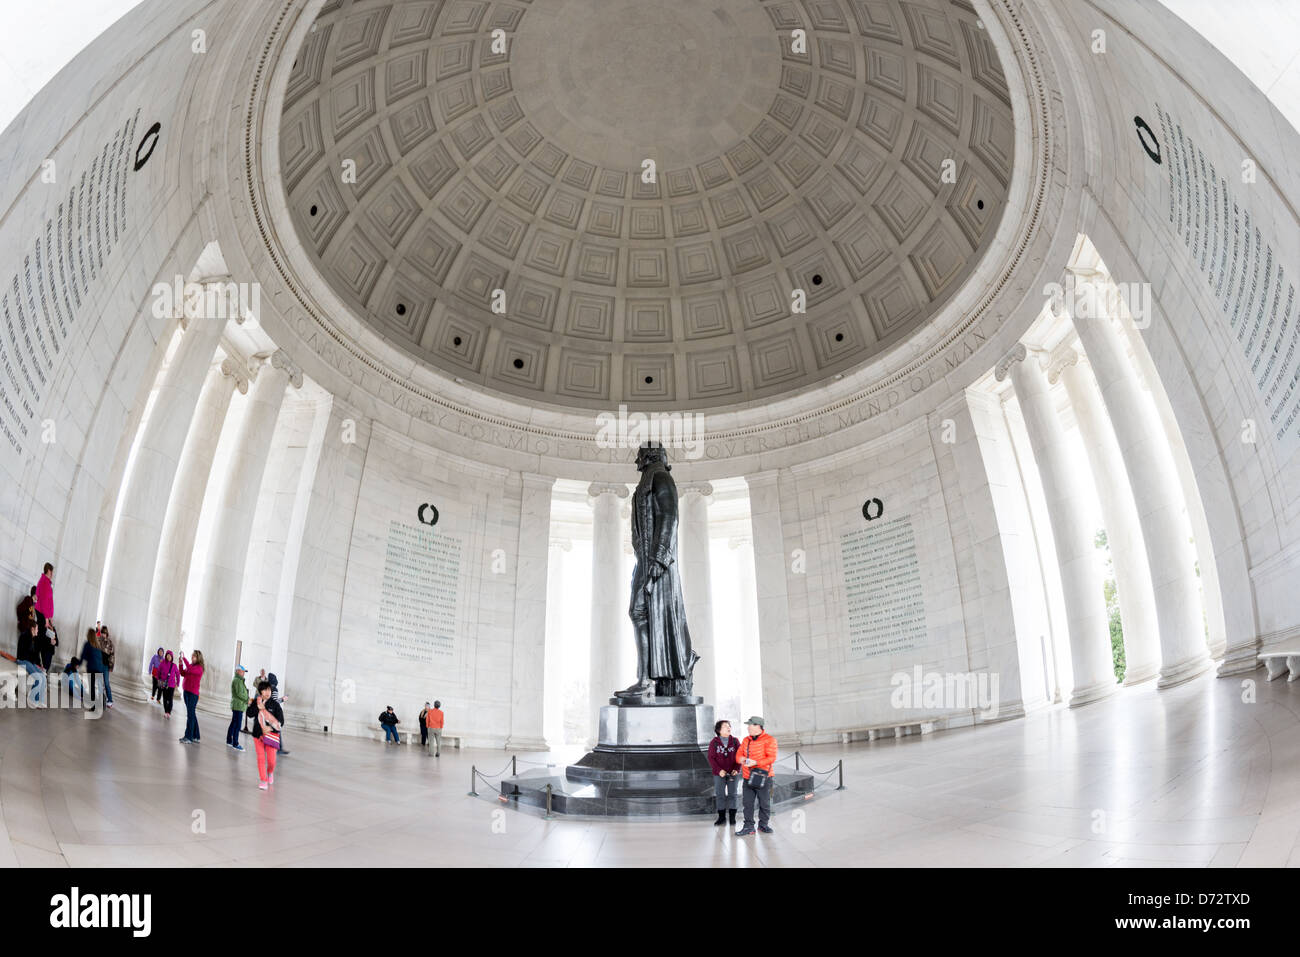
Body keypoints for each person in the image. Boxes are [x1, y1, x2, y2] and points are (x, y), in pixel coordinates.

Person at [735, 716, 777, 836]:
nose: (748, 727)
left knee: (764, 803)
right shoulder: (745, 740)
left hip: (764, 777)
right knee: (747, 804)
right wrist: (741, 759)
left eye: (750, 725)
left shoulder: (770, 740)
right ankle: (749, 827)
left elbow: (771, 758)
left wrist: (756, 763)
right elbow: (738, 755)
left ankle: (763, 825)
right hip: (748, 777)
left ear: (758, 726)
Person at [249, 680, 283, 790]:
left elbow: (281, 721)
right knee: (261, 758)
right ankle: (263, 780)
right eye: (264, 690)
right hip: (258, 734)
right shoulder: (256, 702)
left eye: (268, 690)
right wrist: (256, 708)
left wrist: (270, 728)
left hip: (271, 735)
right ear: (260, 691)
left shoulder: (275, 704)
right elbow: (249, 714)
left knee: (272, 761)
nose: (267, 692)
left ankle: (270, 772)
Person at [707, 719, 741, 827]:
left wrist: (737, 768)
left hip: (733, 774)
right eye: (725, 726)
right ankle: (721, 817)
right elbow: (711, 758)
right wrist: (718, 770)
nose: (728, 727)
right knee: (720, 795)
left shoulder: (735, 741)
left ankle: (732, 817)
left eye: (729, 726)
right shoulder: (714, 742)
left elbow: (739, 756)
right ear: (719, 730)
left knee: (733, 795)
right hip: (719, 774)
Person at [78, 628, 112, 709]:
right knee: (99, 687)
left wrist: (78, 664)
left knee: (92, 687)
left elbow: (83, 656)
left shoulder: (88, 644)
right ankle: (102, 704)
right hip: (99, 668)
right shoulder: (97, 645)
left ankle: (93, 705)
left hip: (92, 668)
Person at [15, 619, 44, 705]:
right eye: (37, 629)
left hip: (29, 661)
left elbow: (35, 654)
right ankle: (32, 699)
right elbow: (25, 654)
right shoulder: (25, 636)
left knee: (43, 677)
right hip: (22, 660)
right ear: (32, 629)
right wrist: (33, 663)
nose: (38, 631)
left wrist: (38, 665)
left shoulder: (33, 638)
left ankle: (39, 701)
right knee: (38, 678)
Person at [178, 650, 204, 744]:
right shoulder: (191, 666)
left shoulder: (199, 668)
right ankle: (196, 736)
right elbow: (182, 673)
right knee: (192, 714)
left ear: (198, 658)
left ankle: (188, 737)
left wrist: (184, 658)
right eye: (192, 656)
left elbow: (190, 669)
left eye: (194, 656)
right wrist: (180, 663)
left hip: (193, 694)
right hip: (186, 693)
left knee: (190, 715)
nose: (192, 658)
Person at [227, 665, 249, 751]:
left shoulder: (239, 680)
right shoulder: (237, 681)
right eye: (242, 671)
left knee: (233, 723)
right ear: (237, 671)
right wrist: (247, 700)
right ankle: (235, 743)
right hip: (238, 706)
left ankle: (229, 740)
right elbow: (240, 693)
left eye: (244, 672)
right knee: (237, 725)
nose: (244, 673)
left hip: (237, 705)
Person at [267, 673, 289, 754]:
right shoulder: (274, 689)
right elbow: (275, 702)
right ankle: (279, 748)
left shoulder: (267, 688)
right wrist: (283, 699)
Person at [158, 650, 179, 718]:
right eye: (167, 655)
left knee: (170, 699)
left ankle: (169, 712)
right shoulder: (162, 664)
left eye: (170, 656)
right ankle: (166, 711)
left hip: (171, 685)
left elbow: (178, 675)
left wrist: (177, 683)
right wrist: (159, 679)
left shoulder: (174, 665)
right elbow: (158, 672)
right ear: (166, 656)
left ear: (172, 657)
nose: (168, 657)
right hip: (164, 684)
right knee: (164, 698)